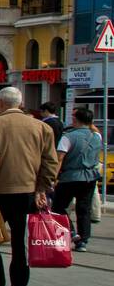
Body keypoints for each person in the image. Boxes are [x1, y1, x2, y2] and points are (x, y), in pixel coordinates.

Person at [0, 86, 59, 286]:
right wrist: (42, 188)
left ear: (1, 104)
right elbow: (51, 162)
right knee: (20, 245)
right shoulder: (42, 127)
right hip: (29, 194)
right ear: (20, 104)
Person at [55, 106, 102, 253]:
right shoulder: (96, 136)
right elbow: (93, 129)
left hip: (70, 177)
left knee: (58, 207)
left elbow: (59, 159)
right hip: (90, 178)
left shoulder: (68, 136)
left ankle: (72, 232)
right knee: (84, 209)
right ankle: (83, 241)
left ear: (75, 119)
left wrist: (53, 177)